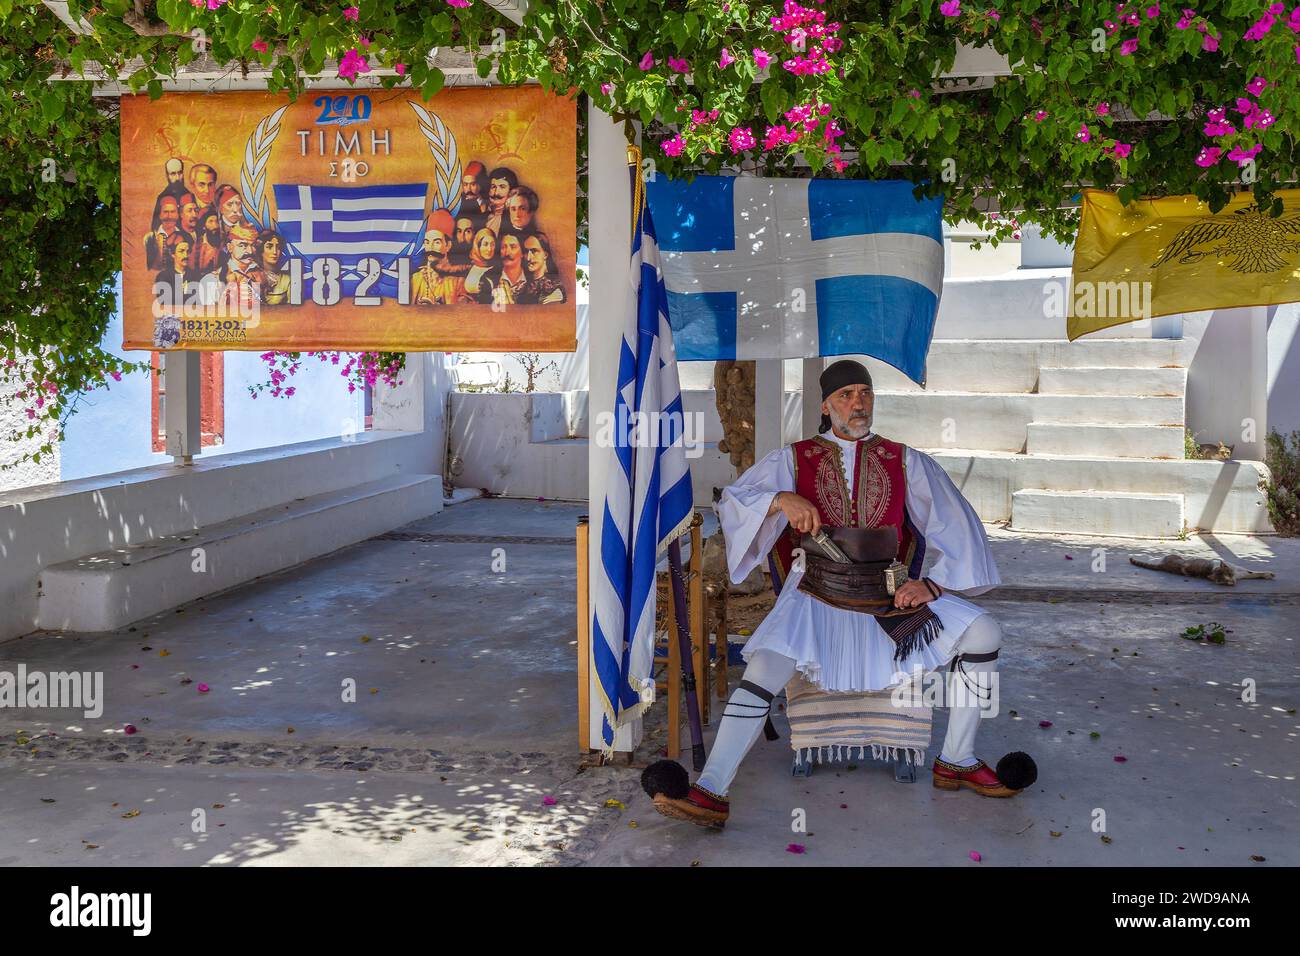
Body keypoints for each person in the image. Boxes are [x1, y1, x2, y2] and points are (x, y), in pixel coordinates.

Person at [652, 360, 1017, 830]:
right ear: (826, 405)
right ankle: (712, 791)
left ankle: (958, 759)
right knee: (763, 667)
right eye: (845, 395)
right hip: (816, 593)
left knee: (983, 632)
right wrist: (780, 500)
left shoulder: (903, 459)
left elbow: (956, 522)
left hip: (888, 597)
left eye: (864, 393)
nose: (857, 402)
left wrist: (930, 583)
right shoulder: (794, 458)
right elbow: (734, 500)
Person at [475, 231, 527, 306]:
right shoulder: (488, 278)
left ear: (522, 253)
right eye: (503, 247)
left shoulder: (531, 278)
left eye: (513, 247)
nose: (507, 253)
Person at [518, 232, 565, 304]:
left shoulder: (554, 288)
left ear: (545, 255)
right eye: (526, 251)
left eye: (534, 251)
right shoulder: (522, 287)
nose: (528, 258)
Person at [461, 227, 497, 302]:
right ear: (477, 246)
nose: (489, 249)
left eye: (492, 245)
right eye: (485, 244)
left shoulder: (497, 269)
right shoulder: (470, 266)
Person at [257, 230, 292, 305]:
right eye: (269, 247)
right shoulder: (252, 276)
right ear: (261, 250)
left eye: (278, 247)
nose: (275, 252)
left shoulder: (287, 279)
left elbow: (293, 310)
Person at [484, 166, 518, 235]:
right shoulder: (483, 214)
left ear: (511, 191)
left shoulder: (514, 218)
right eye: (493, 187)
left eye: (502, 187)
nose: (496, 192)